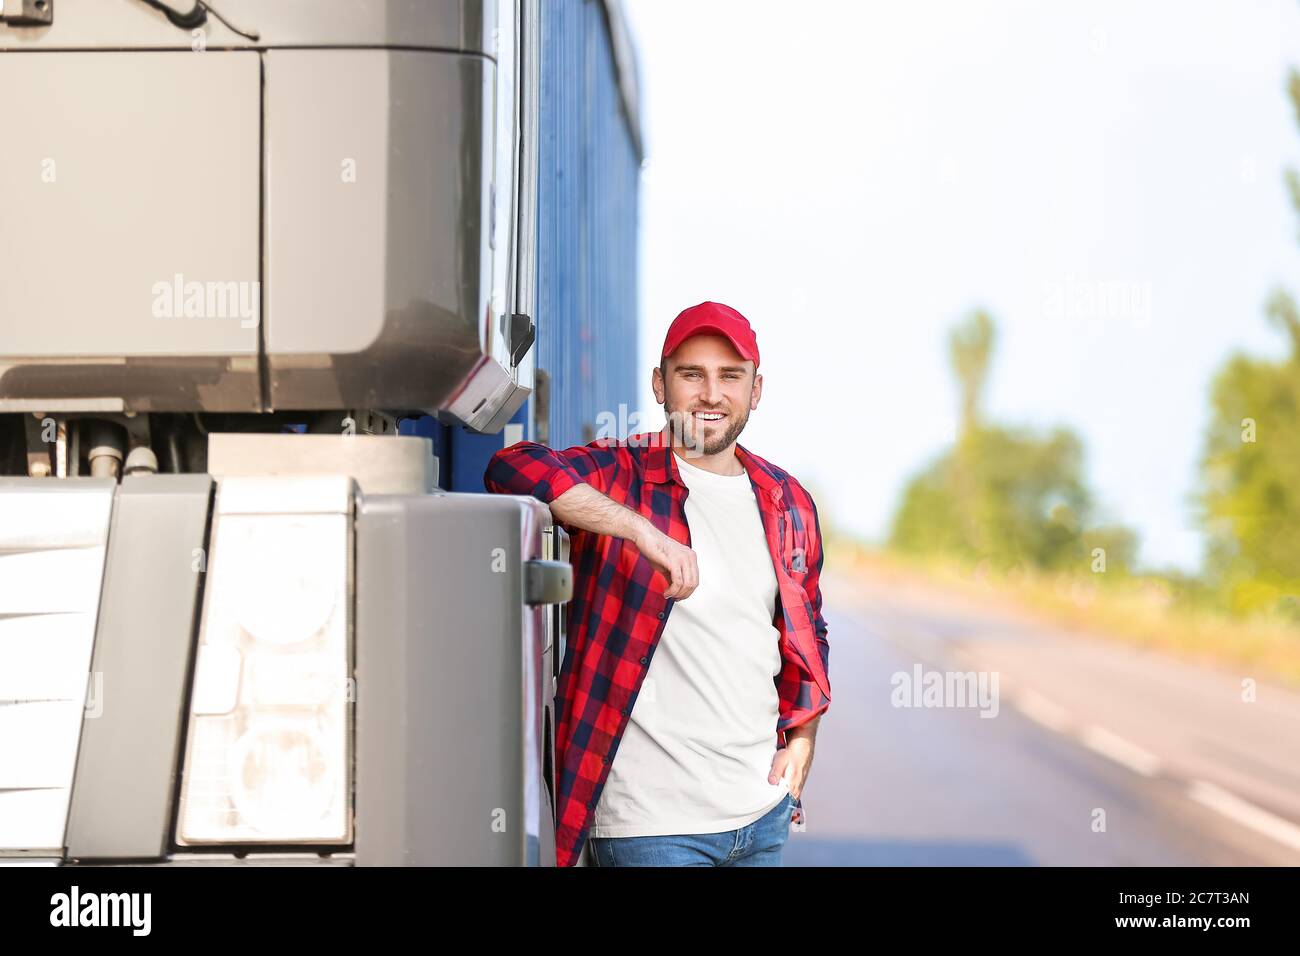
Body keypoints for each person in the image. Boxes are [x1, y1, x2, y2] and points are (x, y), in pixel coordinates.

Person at [483, 301, 831, 867]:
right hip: (650, 829)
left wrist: (804, 737)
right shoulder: (622, 472)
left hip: (760, 817)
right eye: (691, 374)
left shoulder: (786, 500)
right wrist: (638, 529)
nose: (712, 394)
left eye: (730, 377)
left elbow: (807, 629)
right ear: (660, 385)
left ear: (756, 390)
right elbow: (511, 468)